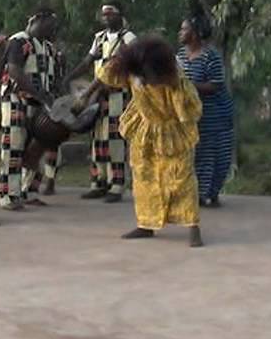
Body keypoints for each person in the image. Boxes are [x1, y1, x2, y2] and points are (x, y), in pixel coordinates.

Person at [78, 36, 203, 245]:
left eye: (149, 77)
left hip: (172, 132)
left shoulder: (176, 80)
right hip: (144, 129)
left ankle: (193, 227)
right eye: (141, 76)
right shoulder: (131, 67)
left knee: (181, 179)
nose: (144, 81)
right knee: (144, 177)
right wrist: (85, 95)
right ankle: (146, 224)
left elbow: (190, 110)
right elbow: (105, 75)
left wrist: (183, 124)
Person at [65, 1, 137, 202]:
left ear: (119, 15)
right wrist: (69, 77)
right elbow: (87, 62)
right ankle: (99, 182)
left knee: (115, 140)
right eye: (103, 14)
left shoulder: (129, 39)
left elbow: (133, 66)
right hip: (97, 95)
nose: (106, 17)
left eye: (110, 13)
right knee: (98, 139)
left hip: (117, 94)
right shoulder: (99, 38)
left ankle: (117, 185)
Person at [0, 7, 60, 210]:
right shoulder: (19, 41)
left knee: (36, 148)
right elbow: (15, 71)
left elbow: (52, 78)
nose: (52, 29)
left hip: (39, 105)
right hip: (17, 100)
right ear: (36, 20)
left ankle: (25, 191)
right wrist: (40, 94)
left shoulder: (49, 47)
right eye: (49, 24)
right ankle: (7, 195)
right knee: (13, 148)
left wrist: (51, 98)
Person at [177, 14, 235, 208]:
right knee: (201, 154)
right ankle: (201, 195)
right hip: (195, 114)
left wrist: (187, 86)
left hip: (216, 114)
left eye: (184, 29)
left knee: (219, 156)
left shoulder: (211, 56)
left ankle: (212, 193)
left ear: (195, 34)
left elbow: (215, 86)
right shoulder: (181, 56)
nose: (181, 33)